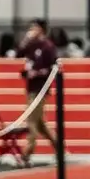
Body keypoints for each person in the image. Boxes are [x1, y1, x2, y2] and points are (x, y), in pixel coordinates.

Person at [19, 19, 58, 164]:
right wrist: (25, 40)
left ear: (41, 29)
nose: (31, 30)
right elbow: (18, 53)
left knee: (32, 121)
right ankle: (60, 149)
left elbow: (52, 68)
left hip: (40, 89)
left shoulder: (48, 47)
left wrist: (37, 73)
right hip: (31, 87)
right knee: (40, 123)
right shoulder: (31, 45)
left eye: (34, 27)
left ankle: (27, 154)